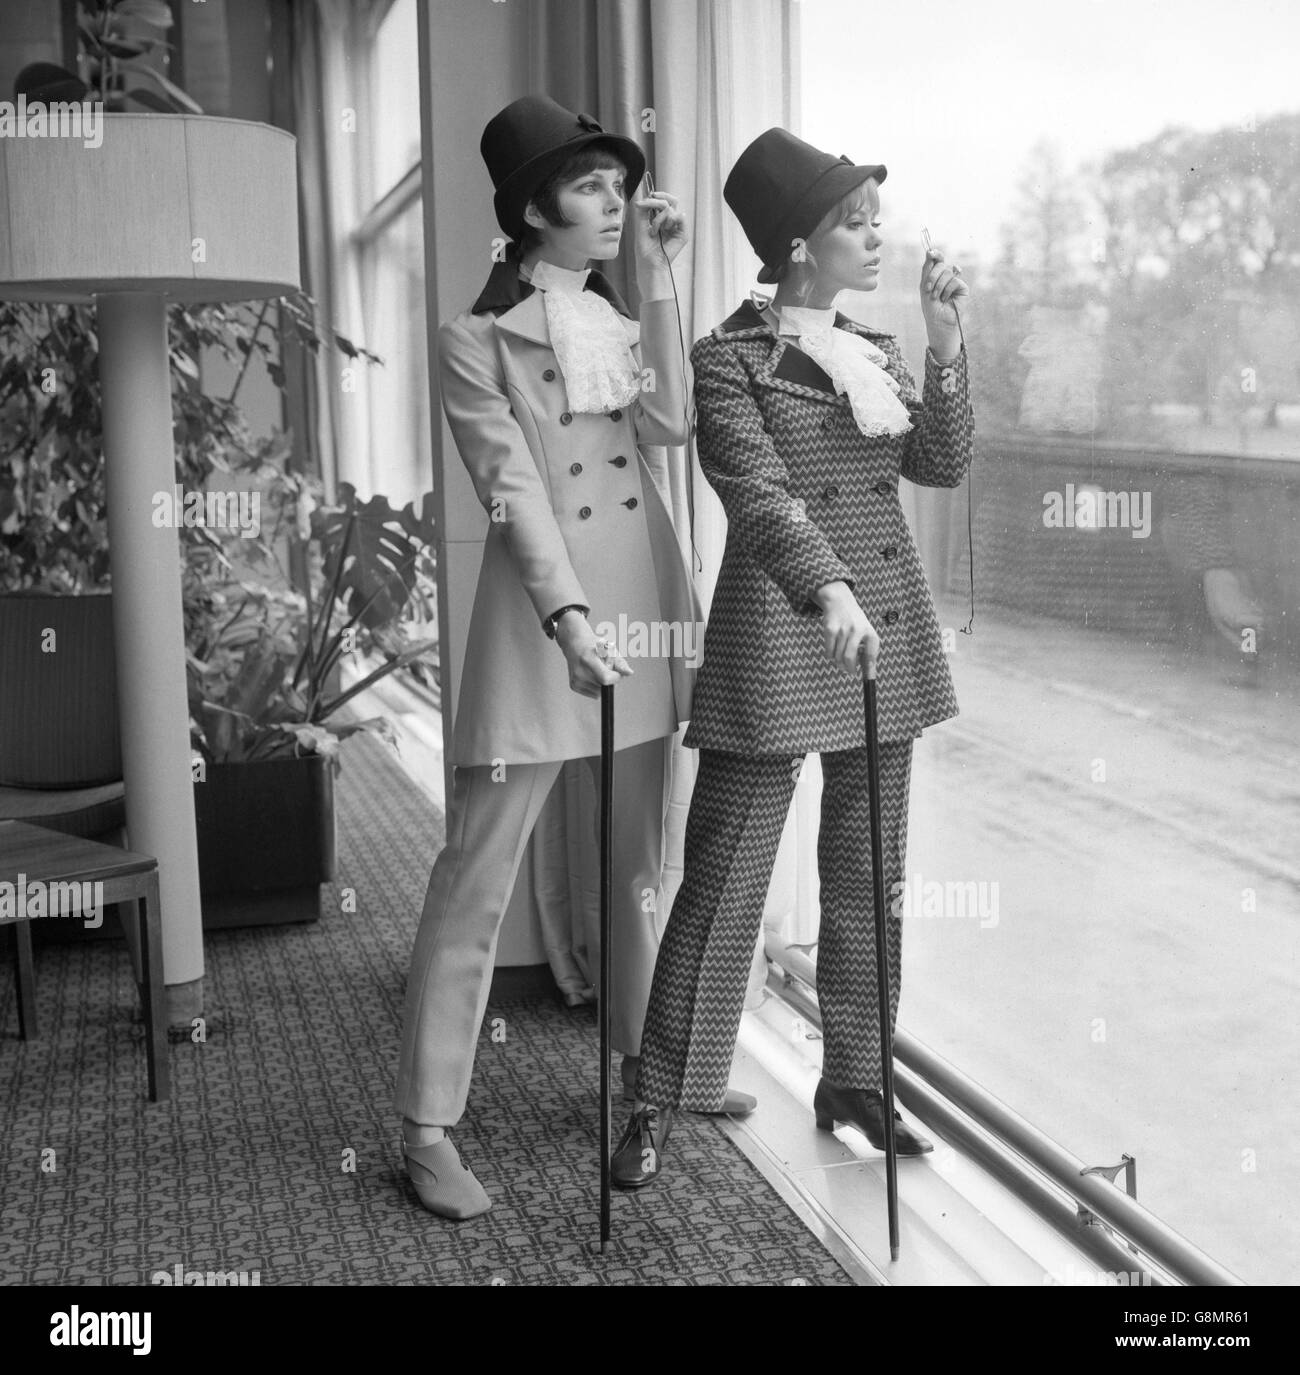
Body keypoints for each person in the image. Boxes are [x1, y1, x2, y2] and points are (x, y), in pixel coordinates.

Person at [393, 95, 749, 1221]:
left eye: (618, 187)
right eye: (593, 188)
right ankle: (425, 1126)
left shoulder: (613, 317)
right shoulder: (471, 338)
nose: (614, 204)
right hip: (545, 627)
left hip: (640, 609)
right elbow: (513, 496)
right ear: (535, 207)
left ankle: (645, 1081)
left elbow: (672, 429)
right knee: (474, 876)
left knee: (639, 863)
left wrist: (657, 279)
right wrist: (568, 619)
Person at [612, 127, 975, 1188]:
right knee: (725, 872)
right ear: (797, 245)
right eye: (853, 223)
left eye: (874, 219)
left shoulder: (877, 349)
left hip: (886, 631)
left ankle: (858, 1079)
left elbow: (940, 464)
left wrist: (947, 344)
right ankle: (661, 1093)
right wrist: (827, 590)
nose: (874, 238)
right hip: (784, 623)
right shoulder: (728, 358)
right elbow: (756, 492)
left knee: (872, 873)